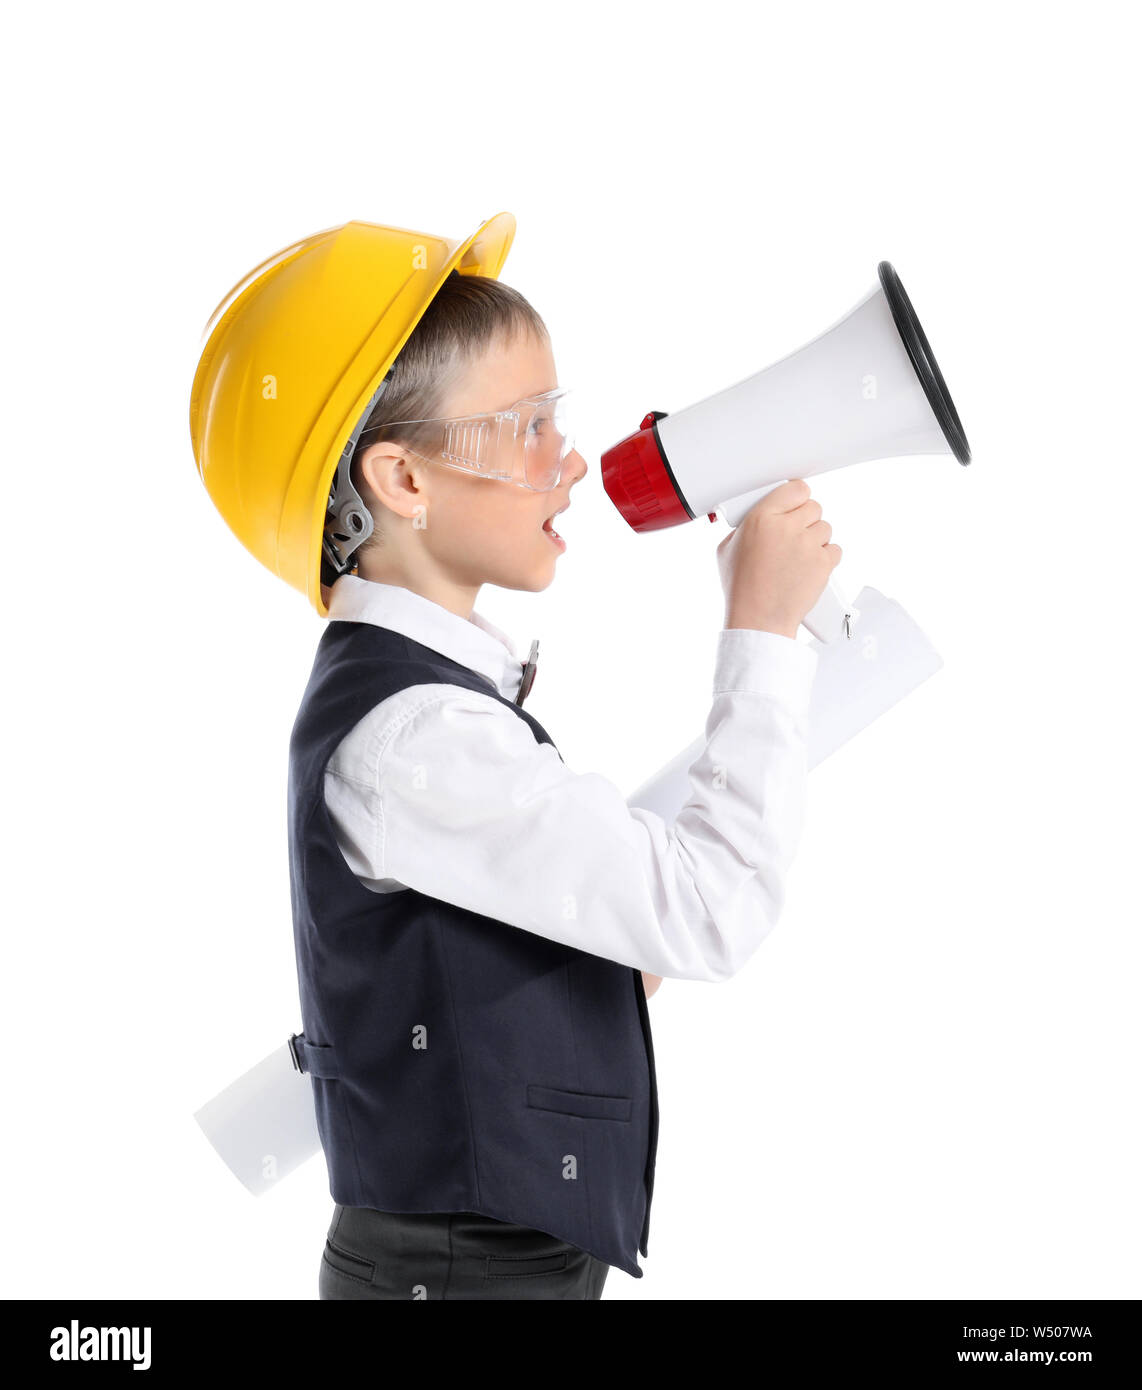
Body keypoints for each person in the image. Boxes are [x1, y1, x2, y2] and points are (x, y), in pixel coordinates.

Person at [190, 215, 839, 1300]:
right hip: (466, 1270)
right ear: (401, 479)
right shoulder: (417, 737)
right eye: (526, 426)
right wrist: (761, 632)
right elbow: (712, 909)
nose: (571, 461)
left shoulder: (426, 711)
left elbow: (492, 961)